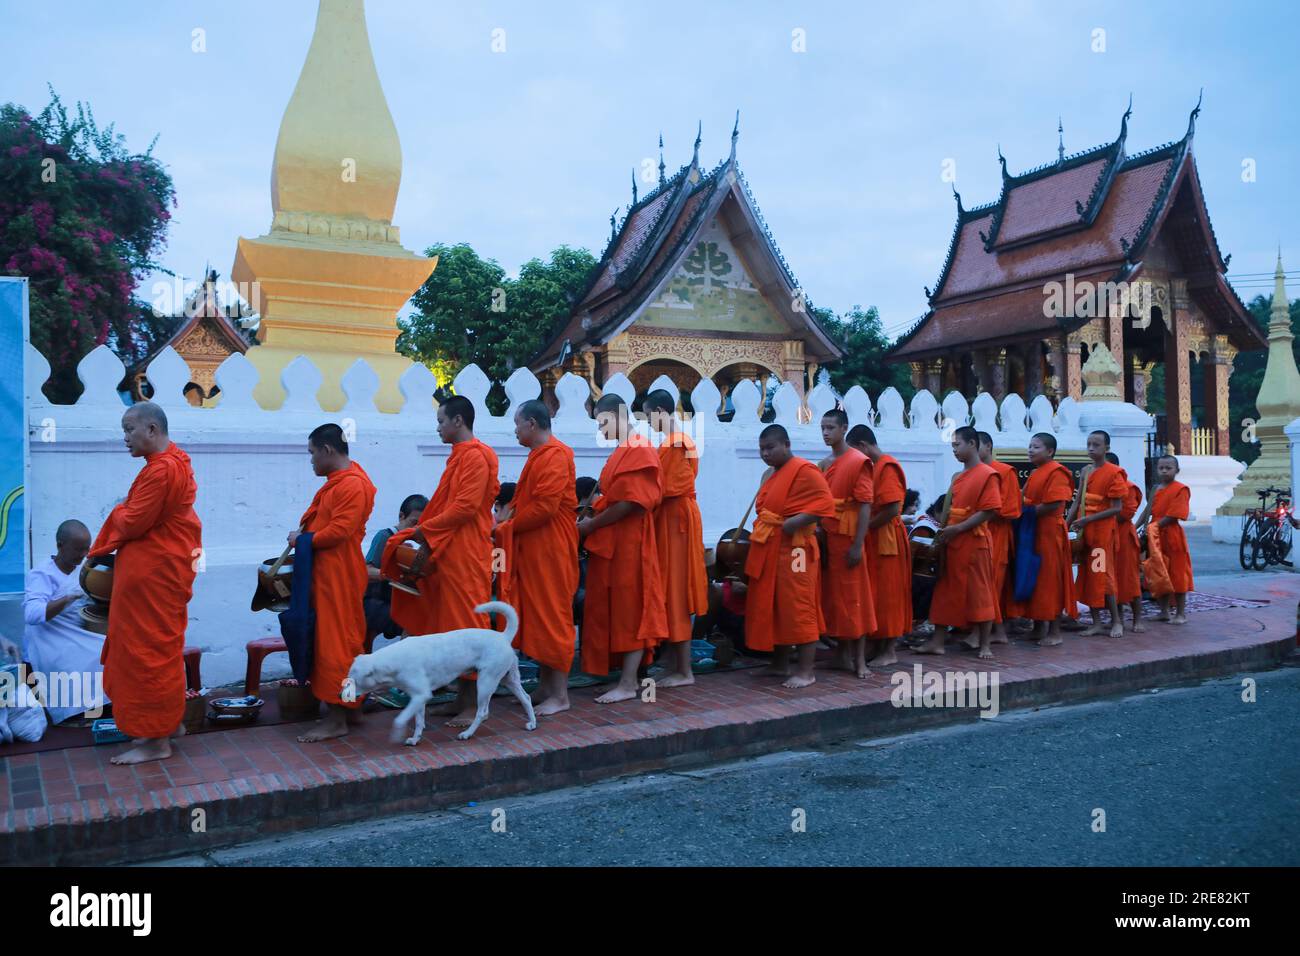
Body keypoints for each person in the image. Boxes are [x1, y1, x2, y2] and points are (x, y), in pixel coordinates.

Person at [87, 401, 202, 764]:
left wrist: (120, 507)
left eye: (129, 429)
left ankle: (156, 741)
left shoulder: (163, 470)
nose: (125, 438)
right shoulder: (172, 461)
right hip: (157, 573)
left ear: (152, 430)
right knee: (158, 650)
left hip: (155, 577)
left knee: (147, 653)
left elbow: (133, 520)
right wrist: (128, 506)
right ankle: (168, 726)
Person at [382, 395, 499, 726]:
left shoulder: (477, 456)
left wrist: (422, 531)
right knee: (451, 630)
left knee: (468, 627)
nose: (438, 427)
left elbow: (464, 508)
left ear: (458, 421)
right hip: (449, 552)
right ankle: (462, 698)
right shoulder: (460, 456)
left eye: (441, 421)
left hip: (466, 554)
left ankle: (474, 705)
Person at [577, 394, 668, 703]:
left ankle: (630, 684)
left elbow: (632, 502)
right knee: (612, 609)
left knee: (631, 609)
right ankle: (624, 678)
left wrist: (593, 524)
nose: (601, 430)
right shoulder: (622, 450)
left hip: (630, 543)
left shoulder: (640, 448)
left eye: (602, 423)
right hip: (611, 543)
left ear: (616, 416)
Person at [292, 422, 376, 742]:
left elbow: (339, 532)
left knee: (336, 648)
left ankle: (337, 717)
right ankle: (351, 706)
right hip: (328, 574)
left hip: (338, 576)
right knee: (341, 644)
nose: (311, 460)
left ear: (327, 450)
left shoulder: (352, 485)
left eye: (312, 453)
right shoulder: (339, 481)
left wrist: (302, 539)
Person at [494, 399, 578, 715]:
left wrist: (508, 528)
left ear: (531, 424)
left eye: (516, 424)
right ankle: (546, 686)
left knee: (552, 615)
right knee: (539, 615)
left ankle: (561, 695)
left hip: (551, 549)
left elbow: (545, 508)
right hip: (536, 548)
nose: (515, 431)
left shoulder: (556, 455)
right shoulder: (539, 455)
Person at [743, 424, 836, 688]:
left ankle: (806, 671)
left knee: (798, 603)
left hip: (796, 548)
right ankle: (780, 663)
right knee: (776, 605)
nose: (765, 453)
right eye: (761, 449)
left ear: (786, 445)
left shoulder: (805, 470)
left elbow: (824, 505)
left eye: (770, 448)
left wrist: (793, 523)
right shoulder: (771, 474)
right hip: (770, 545)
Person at [916, 425, 1001, 659]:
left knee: (980, 591)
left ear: (972, 444)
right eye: (952, 446)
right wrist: (942, 534)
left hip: (975, 540)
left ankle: (985, 644)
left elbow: (990, 510)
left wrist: (960, 528)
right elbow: (948, 510)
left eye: (957, 445)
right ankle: (938, 641)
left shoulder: (987, 474)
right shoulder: (958, 476)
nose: (954, 450)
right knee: (946, 590)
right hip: (953, 539)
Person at [644, 389, 708, 688]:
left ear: (659, 410)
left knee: (678, 592)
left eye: (647, 415)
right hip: (670, 519)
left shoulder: (677, 443)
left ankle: (684, 671)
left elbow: (667, 488)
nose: (647, 422)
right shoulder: (671, 443)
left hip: (677, 521)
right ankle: (673, 664)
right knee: (668, 590)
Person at [22, 520, 109, 723]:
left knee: (112, 648)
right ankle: (75, 713)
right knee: (95, 655)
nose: (83, 554)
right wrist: (68, 597)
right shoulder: (42, 574)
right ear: (60, 545)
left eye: (87, 548)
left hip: (77, 633)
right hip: (49, 639)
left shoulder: (86, 569)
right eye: (78, 549)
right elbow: (32, 615)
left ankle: (106, 707)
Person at [817, 409, 875, 678]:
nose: (826, 433)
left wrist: (857, 545)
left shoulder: (858, 461)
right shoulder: (824, 463)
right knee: (834, 600)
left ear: (844, 429)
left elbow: (865, 506)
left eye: (831, 427)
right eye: (823, 428)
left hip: (849, 538)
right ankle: (841, 656)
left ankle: (860, 661)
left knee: (855, 600)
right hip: (828, 537)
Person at [848, 425, 911, 667]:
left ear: (863, 446)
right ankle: (877, 643)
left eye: (855, 451)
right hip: (874, 538)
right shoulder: (874, 467)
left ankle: (890, 650)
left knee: (889, 594)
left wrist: (865, 527)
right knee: (875, 593)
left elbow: (893, 508)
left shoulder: (887, 466)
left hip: (887, 539)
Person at [1007, 433, 1077, 646]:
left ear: (1050, 451)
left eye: (1036, 447)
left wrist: (1024, 514)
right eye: (1029, 446)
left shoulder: (1058, 472)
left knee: (1050, 580)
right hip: (1033, 530)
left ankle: (1054, 631)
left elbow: (1054, 505)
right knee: (1035, 578)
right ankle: (1038, 628)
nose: (1030, 450)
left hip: (1049, 532)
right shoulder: (1036, 473)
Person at [1066, 430, 1126, 638]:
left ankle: (1116, 621)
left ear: (1106, 448)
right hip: (1086, 533)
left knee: (1102, 576)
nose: (1091, 448)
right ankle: (1097, 622)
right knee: (1088, 577)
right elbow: (1077, 502)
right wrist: (1065, 524)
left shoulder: (1114, 472)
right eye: (1089, 444)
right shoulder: (1085, 471)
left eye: (1096, 445)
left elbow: (1117, 508)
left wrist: (1088, 519)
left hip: (1101, 534)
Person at [976, 432, 1022, 646]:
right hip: (974, 533)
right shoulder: (970, 473)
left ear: (989, 447)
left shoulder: (1005, 472)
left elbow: (1011, 509)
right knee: (979, 583)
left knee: (991, 582)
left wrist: (976, 514)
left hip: (997, 533)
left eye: (978, 445)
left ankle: (995, 630)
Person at [363, 494, 427, 644]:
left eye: (422, 524)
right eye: (414, 522)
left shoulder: (421, 542)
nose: (417, 528)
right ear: (401, 516)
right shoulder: (384, 536)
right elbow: (366, 571)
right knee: (413, 624)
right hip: (377, 601)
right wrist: (391, 574)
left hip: (402, 603)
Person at [1137, 455, 1193, 624]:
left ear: (1177, 470)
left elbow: (1174, 515)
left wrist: (1154, 527)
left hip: (1171, 535)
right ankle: (1164, 611)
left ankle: (1181, 613)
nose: (1164, 471)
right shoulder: (1156, 489)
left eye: (1168, 468)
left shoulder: (1181, 489)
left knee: (1177, 574)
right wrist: (1134, 527)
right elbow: (1147, 512)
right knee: (1157, 573)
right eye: (1161, 468)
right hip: (1154, 536)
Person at [1107, 452, 1145, 633]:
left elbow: (1126, 513)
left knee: (1129, 578)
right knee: (1110, 579)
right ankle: (1118, 618)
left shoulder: (1128, 487)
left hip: (1124, 538)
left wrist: (1100, 512)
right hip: (1105, 536)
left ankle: (1137, 619)